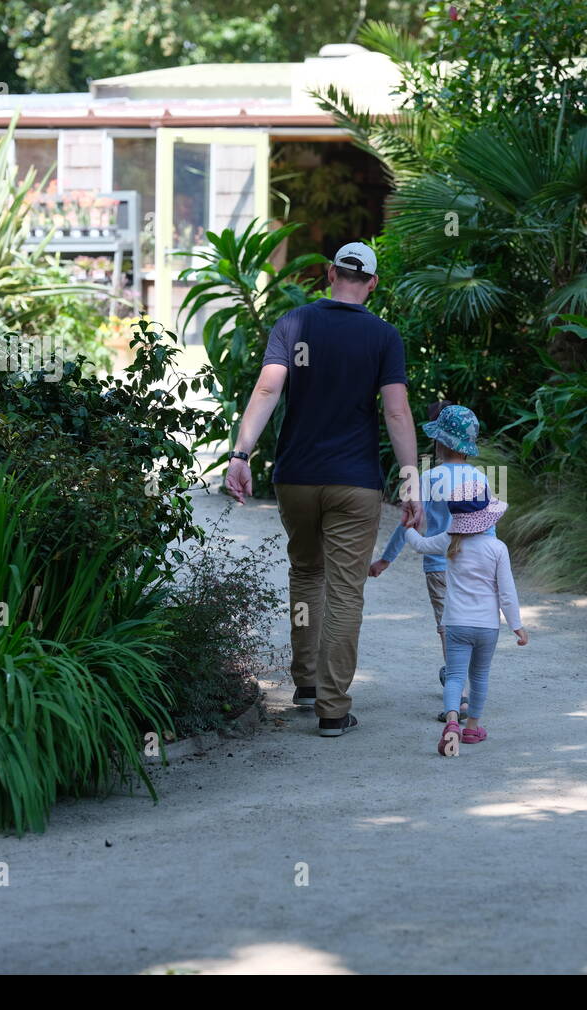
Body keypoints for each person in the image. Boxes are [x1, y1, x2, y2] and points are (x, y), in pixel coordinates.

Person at [224, 241, 423, 737]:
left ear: (329, 273)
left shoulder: (293, 324)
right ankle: (332, 709)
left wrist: (240, 454)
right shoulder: (383, 335)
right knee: (345, 592)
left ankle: (307, 683)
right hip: (354, 483)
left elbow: (267, 390)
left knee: (306, 574)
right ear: (372, 283)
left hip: (296, 477)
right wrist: (411, 479)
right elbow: (396, 411)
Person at [368, 402, 494, 721]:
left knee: (447, 628)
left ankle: (460, 694)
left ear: (439, 442)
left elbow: (408, 522)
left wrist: (385, 559)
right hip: (475, 565)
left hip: (439, 565)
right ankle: (461, 679)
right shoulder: (481, 478)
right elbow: (489, 524)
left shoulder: (428, 478)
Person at [403, 485, 527, 756]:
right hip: (486, 626)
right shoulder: (497, 548)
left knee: (455, 676)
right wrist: (516, 626)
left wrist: (408, 527)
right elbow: (507, 592)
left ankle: (451, 723)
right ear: (487, 517)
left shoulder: (449, 540)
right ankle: (472, 728)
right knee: (479, 676)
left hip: (456, 624)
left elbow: (421, 545)